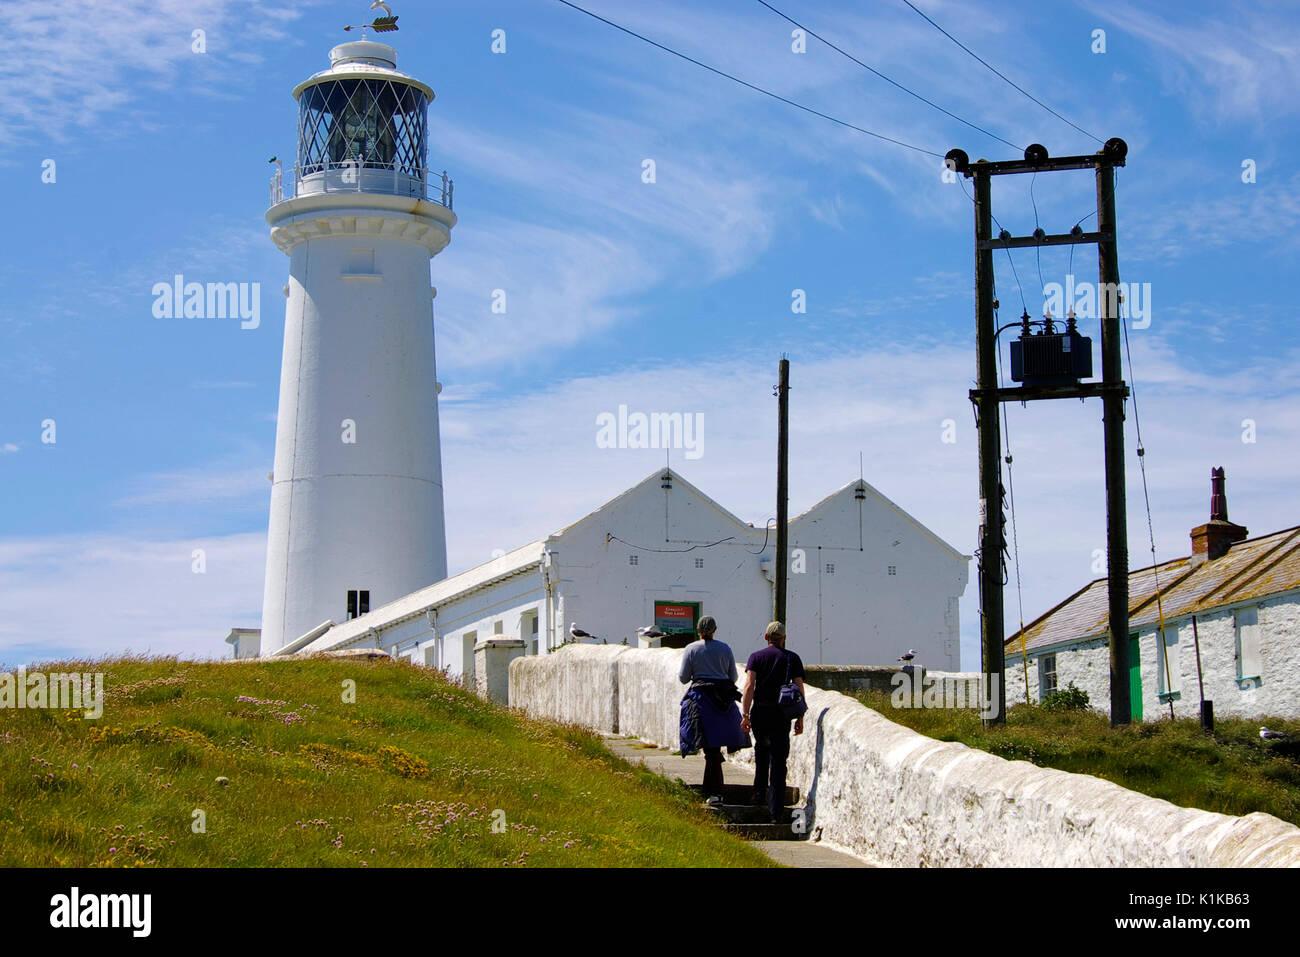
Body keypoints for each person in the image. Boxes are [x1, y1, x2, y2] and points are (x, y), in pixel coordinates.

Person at [740, 621, 805, 823]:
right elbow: (799, 688)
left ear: (766, 637)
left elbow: (749, 686)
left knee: (761, 749)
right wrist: (800, 716)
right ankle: (775, 810)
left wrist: (746, 714)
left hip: (761, 710)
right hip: (781, 714)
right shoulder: (792, 658)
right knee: (778, 760)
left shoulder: (756, 657)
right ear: (784, 638)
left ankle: (759, 793)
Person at [677, 615, 744, 801]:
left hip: (701, 700)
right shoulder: (725, 648)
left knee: (710, 747)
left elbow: (683, 678)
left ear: (698, 630)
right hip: (724, 699)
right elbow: (733, 676)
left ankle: (714, 792)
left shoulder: (691, 649)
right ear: (715, 629)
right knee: (714, 748)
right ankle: (712, 790)